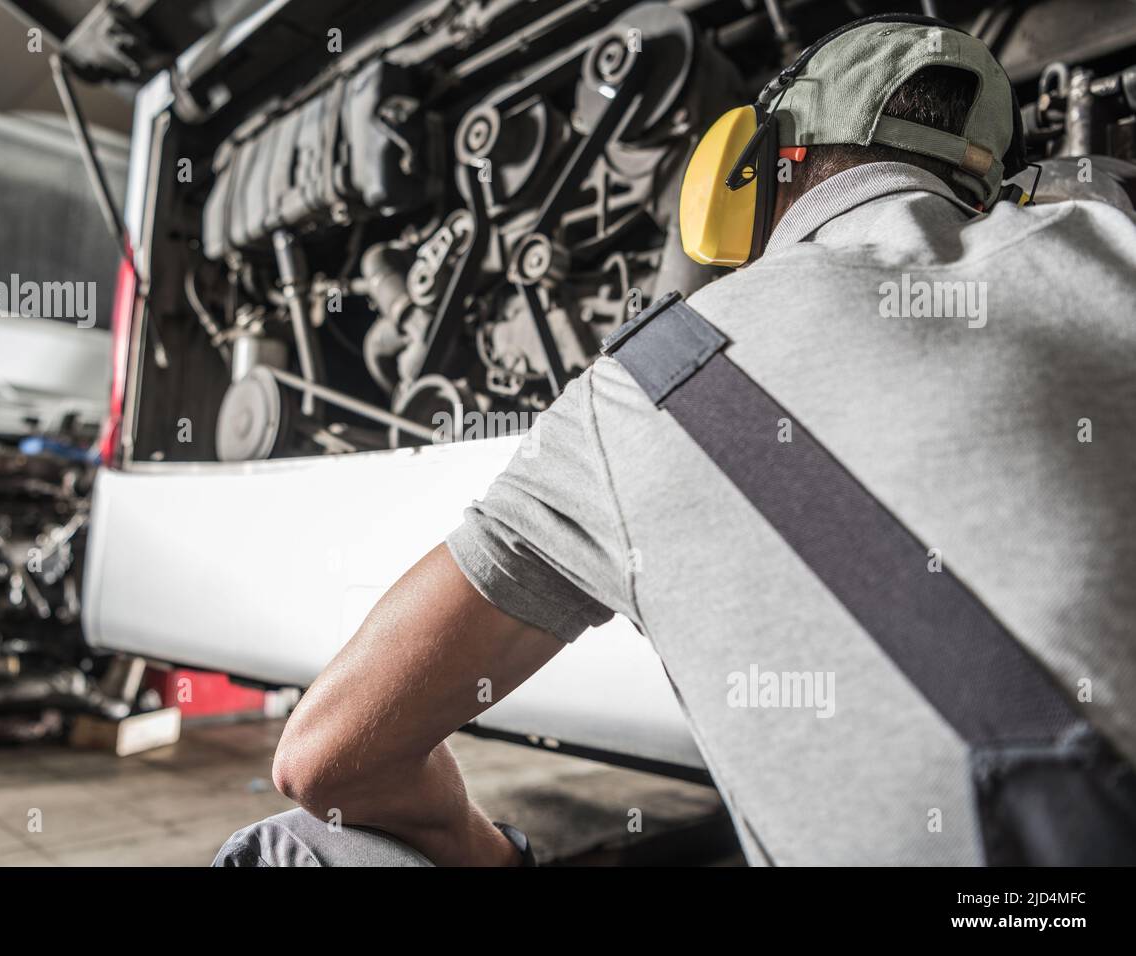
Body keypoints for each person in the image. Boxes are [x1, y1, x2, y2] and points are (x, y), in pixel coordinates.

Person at [215, 18, 1136, 866]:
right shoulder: (1106, 246)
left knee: (293, 848)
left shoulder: (642, 388)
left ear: (755, 163)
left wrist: (495, 855)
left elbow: (325, 759)